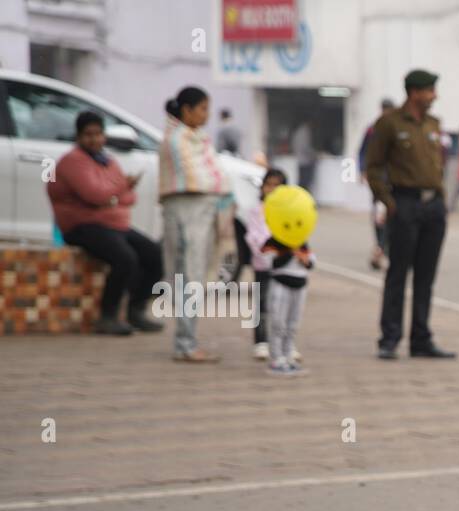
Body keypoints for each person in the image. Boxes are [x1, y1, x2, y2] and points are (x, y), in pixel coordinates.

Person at [365, 69, 456, 360]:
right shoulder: (389, 123)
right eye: (430, 91)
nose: (435, 96)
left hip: (433, 208)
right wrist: (387, 201)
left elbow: (437, 165)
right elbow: (374, 165)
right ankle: (389, 338)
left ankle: (421, 339)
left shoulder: (433, 124)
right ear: (415, 93)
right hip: (404, 204)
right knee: (398, 273)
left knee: (426, 277)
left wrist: (442, 201)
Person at [47, 111, 164, 336]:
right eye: (88, 134)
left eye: (98, 134)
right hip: (81, 226)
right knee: (125, 259)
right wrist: (118, 190)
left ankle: (136, 310)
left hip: (113, 225)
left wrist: (113, 195)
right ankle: (107, 316)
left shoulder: (107, 160)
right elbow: (95, 195)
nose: (94, 139)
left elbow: (130, 198)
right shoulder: (73, 161)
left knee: (155, 255)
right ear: (79, 136)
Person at [159, 86, 231, 362]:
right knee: (188, 275)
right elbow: (200, 177)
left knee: (188, 275)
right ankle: (186, 343)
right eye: (202, 109)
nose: (207, 115)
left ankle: (185, 340)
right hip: (188, 211)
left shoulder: (194, 137)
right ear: (187, 110)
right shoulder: (179, 140)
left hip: (196, 212)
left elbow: (213, 174)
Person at [258, 187, 316, 377]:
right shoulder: (272, 242)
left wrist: (304, 258)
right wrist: (288, 253)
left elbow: (311, 262)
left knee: (293, 323)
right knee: (278, 322)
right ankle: (277, 358)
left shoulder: (303, 241)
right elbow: (268, 262)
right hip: (280, 285)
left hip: (300, 286)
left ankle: (289, 353)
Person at [241, 167, 289, 360]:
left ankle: (284, 341)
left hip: (283, 265)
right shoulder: (257, 211)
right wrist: (267, 251)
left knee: (283, 304)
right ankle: (261, 341)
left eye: (277, 186)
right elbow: (253, 237)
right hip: (263, 265)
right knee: (261, 304)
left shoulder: (288, 211)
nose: (272, 189)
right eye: (268, 185)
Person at [359, 98, 397, 270]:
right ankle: (380, 247)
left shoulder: (398, 129)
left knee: (390, 215)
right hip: (378, 181)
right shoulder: (372, 129)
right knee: (378, 215)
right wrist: (362, 171)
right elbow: (362, 151)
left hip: (394, 181)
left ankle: (382, 249)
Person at [292, 119, 316, 193]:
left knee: (303, 182)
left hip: (301, 160)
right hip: (305, 161)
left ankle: (301, 197)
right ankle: (302, 198)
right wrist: (314, 154)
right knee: (304, 182)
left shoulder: (300, 131)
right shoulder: (304, 131)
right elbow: (305, 147)